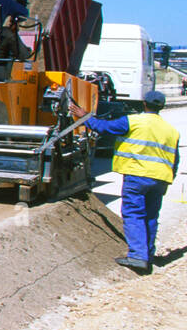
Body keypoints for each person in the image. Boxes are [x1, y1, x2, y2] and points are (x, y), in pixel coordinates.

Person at [71, 90, 180, 272]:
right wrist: (169, 178)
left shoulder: (133, 121)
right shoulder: (171, 131)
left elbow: (103, 127)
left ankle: (138, 256)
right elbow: (175, 159)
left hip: (137, 175)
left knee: (133, 213)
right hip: (161, 179)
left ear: (144, 104)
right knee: (151, 216)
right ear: (162, 107)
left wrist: (84, 116)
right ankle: (148, 254)